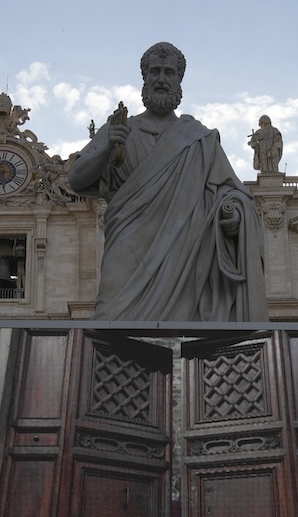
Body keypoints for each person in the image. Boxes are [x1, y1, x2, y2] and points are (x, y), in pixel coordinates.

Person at [68, 41, 267, 322]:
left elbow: (233, 192)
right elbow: (75, 180)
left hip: (183, 256)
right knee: (110, 319)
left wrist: (233, 213)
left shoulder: (200, 138)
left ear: (179, 79)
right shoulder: (120, 128)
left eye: (169, 72)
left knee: (179, 335)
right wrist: (104, 147)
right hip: (127, 250)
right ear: (145, 78)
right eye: (155, 71)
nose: (161, 78)